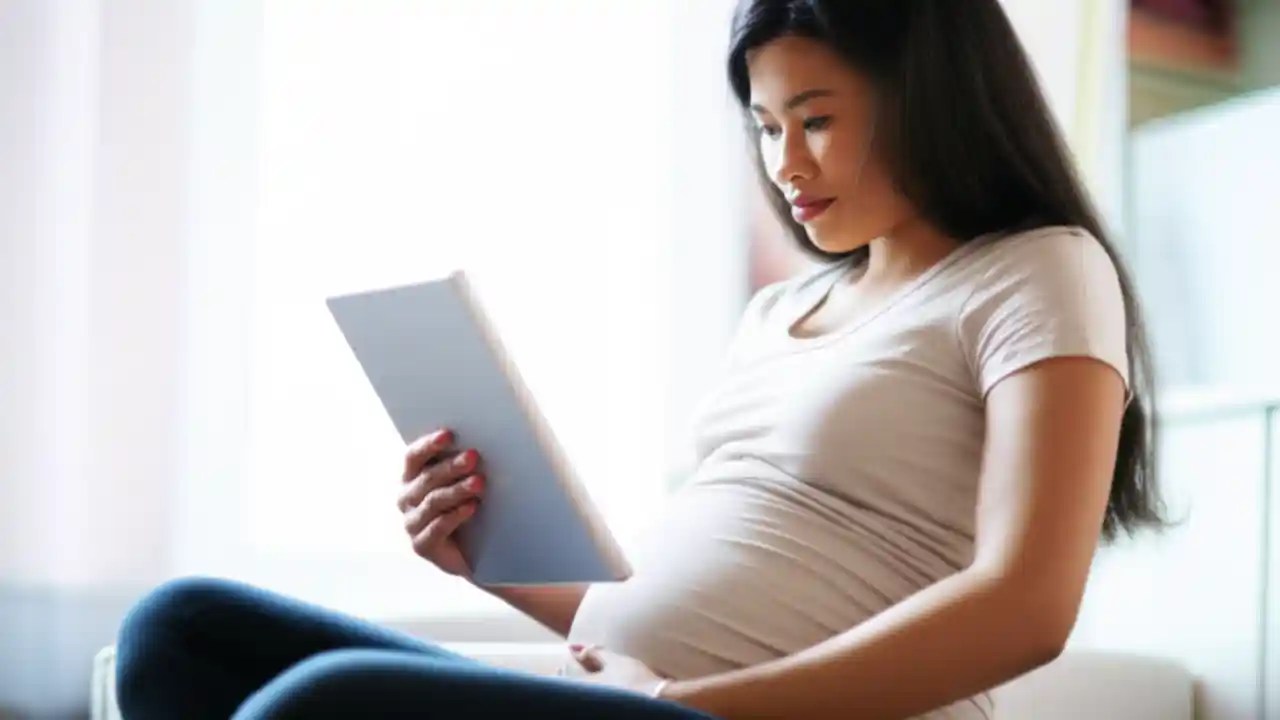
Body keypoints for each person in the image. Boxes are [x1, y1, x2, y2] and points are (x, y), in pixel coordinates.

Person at [114, 1, 1165, 718]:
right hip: (638, 698)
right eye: (762, 127)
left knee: (318, 706)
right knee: (182, 630)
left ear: (927, 100)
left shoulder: (1035, 272)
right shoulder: (778, 309)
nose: (783, 165)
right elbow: (672, 603)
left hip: (725, 716)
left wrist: (686, 710)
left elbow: (1027, 607)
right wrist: (492, 553)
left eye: (814, 120)